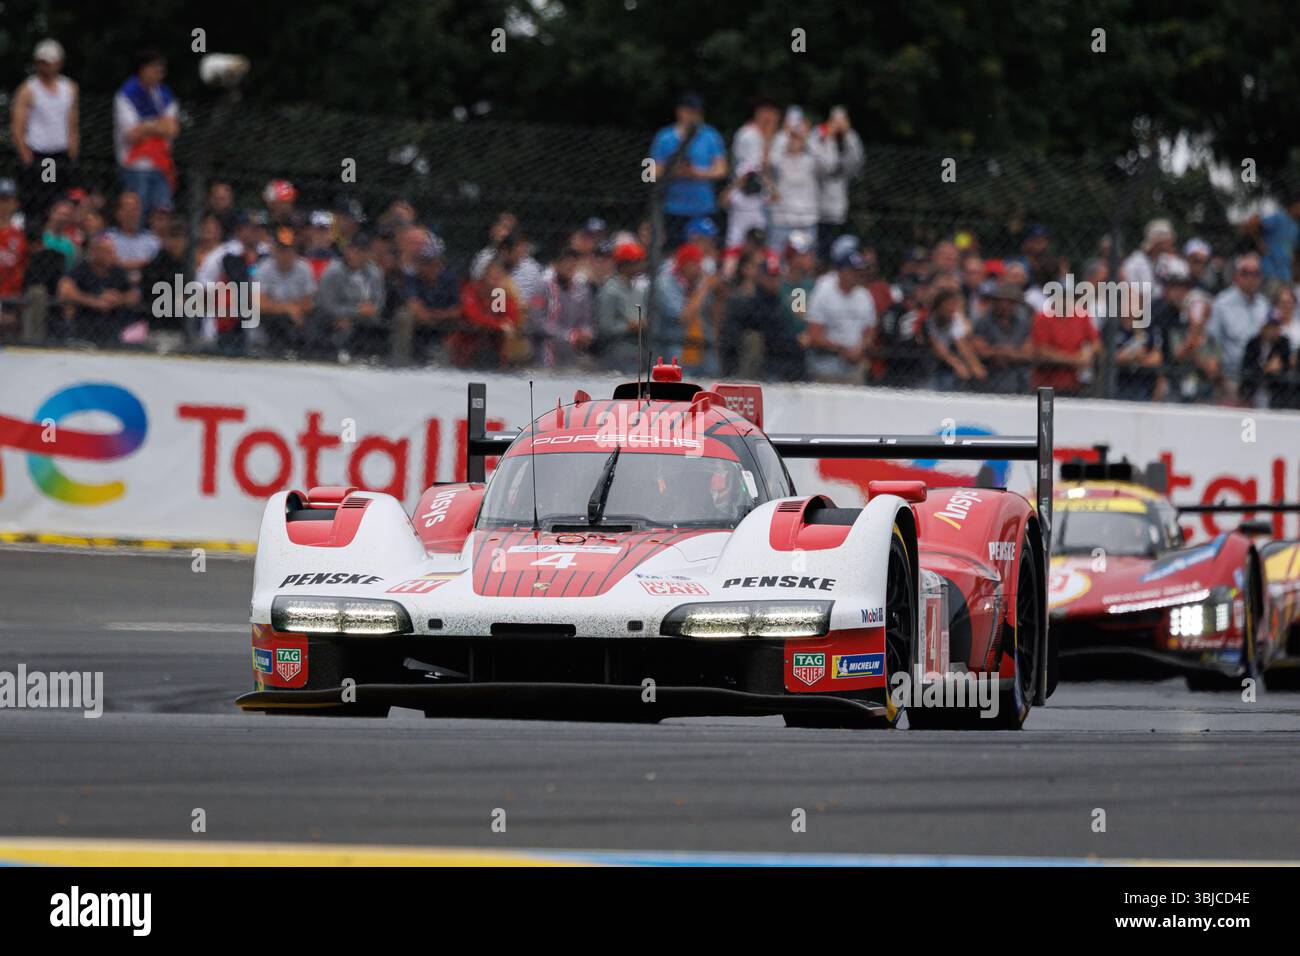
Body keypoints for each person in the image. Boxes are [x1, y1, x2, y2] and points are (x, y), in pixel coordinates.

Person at [10, 39, 79, 231]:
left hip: (60, 154)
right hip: (41, 155)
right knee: (43, 199)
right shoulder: (28, 89)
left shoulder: (69, 88)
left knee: (60, 199)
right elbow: (17, 126)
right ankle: (38, 234)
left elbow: (72, 124)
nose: (44, 66)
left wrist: (72, 155)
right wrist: (27, 158)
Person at [649, 93, 728, 247]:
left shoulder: (710, 136)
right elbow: (648, 172)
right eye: (690, 111)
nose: (693, 116)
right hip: (672, 208)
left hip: (703, 208)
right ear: (680, 112)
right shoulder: (663, 137)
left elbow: (722, 169)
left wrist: (696, 173)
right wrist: (673, 172)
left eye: (697, 112)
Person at [113, 49, 179, 216]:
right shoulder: (126, 95)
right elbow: (132, 134)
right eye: (155, 68)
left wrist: (145, 126)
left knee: (163, 215)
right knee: (136, 215)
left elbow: (172, 129)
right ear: (143, 69)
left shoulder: (166, 95)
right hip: (135, 166)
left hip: (161, 165)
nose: (159, 73)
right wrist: (158, 125)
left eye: (161, 69)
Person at [803, 249, 876, 382]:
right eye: (853, 271)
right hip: (826, 365)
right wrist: (841, 349)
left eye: (859, 270)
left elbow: (870, 330)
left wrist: (861, 347)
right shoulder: (823, 292)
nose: (858, 274)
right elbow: (814, 333)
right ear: (842, 271)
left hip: (854, 367)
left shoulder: (864, 296)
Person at [1208, 252, 1270, 399]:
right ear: (1236, 276)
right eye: (1245, 273)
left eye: (1255, 274)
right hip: (1231, 377)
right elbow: (1211, 339)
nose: (1251, 278)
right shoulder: (1221, 303)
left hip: (1259, 378)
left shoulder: (1264, 305)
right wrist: (1218, 375)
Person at [315, 233, 386, 361]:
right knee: (340, 325)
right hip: (332, 318)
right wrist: (355, 311)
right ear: (348, 251)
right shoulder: (332, 273)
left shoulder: (375, 273)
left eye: (364, 251)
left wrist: (367, 311)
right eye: (356, 251)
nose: (360, 255)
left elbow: (378, 303)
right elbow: (327, 305)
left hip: (365, 319)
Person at [767, 111, 829, 253]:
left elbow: (827, 164)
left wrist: (808, 137)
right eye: (792, 138)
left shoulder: (811, 161)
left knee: (805, 264)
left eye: (797, 138)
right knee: (776, 263)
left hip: (806, 222)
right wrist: (786, 132)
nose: (794, 141)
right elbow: (772, 159)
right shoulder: (780, 161)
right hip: (782, 221)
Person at [56, 234, 138, 342]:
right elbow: (65, 291)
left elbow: (134, 295)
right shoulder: (82, 269)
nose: (113, 255)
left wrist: (118, 299)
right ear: (95, 252)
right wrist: (95, 302)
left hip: (113, 325)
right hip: (84, 323)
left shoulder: (116, 271)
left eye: (112, 251)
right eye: (107, 251)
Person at [395, 234, 461, 365]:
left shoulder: (449, 278)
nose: (430, 267)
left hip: (442, 325)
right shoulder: (412, 276)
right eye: (425, 262)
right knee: (404, 315)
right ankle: (400, 361)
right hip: (420, 323)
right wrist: (429, 315)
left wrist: (439, 315)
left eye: (434, 262)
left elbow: (458, 309)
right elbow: (413, 304)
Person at [652, 241, 716, 372]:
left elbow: (713, 316)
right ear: (687, 265)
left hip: (702, 345)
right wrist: (705, 287)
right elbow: (683, 316)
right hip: (674, 344)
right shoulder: (665, 283)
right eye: (697, 264)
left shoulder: (696, 283)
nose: (700, 269)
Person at [811, 107, 864, 265]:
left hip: (838, 208)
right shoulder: (819, 134)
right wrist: (829, 138)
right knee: (818, 250)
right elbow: (826, 165)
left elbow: (856, 163)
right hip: (816, 208)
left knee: (836, 251)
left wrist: (848, 135)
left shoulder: (849, 138)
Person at [253, 228, 316, 353]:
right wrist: (288, 308)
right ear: (274, 250)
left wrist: (290, 308)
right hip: (271, 318)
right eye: (281, 250)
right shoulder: (263, 269)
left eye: (289, 250)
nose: (285, 254)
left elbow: (309, 303)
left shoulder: (304, 268)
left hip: (299, 317)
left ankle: (309, 351)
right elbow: (259, 304)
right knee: (275, 318)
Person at [533, 246, 595, 368]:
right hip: (546, 353)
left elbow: (587, 319)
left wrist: (586, 333)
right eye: (566, 262)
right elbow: (537, 322)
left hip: (574, 354)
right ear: (556, 265)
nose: (570, 267)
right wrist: (568, 335)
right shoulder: (542, 288)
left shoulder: (583, 290)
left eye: (573, 263)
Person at [454, 256, 521, 369]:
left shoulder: (498, 294)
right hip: (466, 350)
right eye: (492, 274)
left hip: (493, 351)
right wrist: (498, 325)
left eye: (500, 275)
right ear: (483, 274)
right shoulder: (470, 290)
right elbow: (473, 317)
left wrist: (502, 323)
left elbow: (511, 318)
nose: (496, 278)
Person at [1030, 291, 1099, 396]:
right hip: (1046, 383)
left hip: (1073, 383)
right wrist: (1075, 360)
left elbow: (1096, 344)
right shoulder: (1042, 318)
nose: (1065, 302)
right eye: (1062, 297)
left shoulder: (1081, 317)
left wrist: (1087, 353)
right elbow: (1042, 351)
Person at [971, 282, 1033, 393]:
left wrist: (998, 352)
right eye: (1001, 301)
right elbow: (980, 350)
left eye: (1010, 302)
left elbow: (1028, 353)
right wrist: (1010, 353)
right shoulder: (983, 321)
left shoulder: (1023, 323)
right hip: (990, 379)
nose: (1005, 304)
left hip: (1017, 380)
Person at [596, 241, 647, 372]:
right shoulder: (610, 289)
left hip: (638, 347)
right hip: (616, 348)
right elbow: (605, 326)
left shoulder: (638, 287)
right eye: (636, 262)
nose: (640, 265)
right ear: (625, 265)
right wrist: (628, 326)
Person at [925, 288, 986, 391]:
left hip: (947, 365)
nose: (952, 309)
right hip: (928, 361)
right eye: (948, 305)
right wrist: (957, 365)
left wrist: (975, 365)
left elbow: (961, 344)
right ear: (939, 306)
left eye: (954, 305)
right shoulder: (929, 320)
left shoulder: (955, 319)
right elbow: (938, 347)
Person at [1245, 192, 1300, 294]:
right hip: (1270, 271)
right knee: (1268, 305)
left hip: (1286, 273)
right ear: (1295, 204)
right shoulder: (1279, 217)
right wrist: (1259, 242)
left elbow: (1294, 252)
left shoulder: (1296, 226)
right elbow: (1252, 224)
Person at [1239, 318, 1291, 408]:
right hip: (1255, 382)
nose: (1274, 332)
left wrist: (1274, 367)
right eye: (1271, 328)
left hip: (1275, 384)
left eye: (1276, 328)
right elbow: (1248, 365)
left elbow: (1285, 365)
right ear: (1263, 329)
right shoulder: (1253, 343)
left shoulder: (1283, 343)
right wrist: (1266, 367)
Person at [0, 179, 27, 339]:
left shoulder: (21, 231)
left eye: (8, 200)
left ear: (15, 203)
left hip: (13, 296)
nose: (4, 205)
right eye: (1, 200)